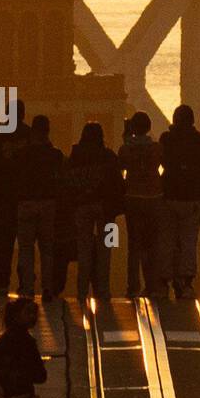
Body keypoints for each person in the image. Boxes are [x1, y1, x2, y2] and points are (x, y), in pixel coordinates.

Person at [65, 122, 124, 301]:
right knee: (106, 250)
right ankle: (103, 291)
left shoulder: (75, 156)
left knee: (84, 251)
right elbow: (118, 184)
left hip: (82, 208)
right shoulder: (108, 156)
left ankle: (82, 291)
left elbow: (67, 183)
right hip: (107, 212)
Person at [159, 104, 200, 299]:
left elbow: (163, 161)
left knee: (168, 239)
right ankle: (186, 282)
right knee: (189, 240)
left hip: (170, 195)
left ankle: (164, 281)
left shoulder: (166, 139)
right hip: (192, 196)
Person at [13, 114, 63, 300]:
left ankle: (27, 287)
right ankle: (47, 287)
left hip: (25, 203)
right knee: (47, 249)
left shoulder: (21, 154)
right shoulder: (55, 155)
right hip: (48, 204)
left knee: (26, 249)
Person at [0, 100, 30, 295]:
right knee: (26, 245)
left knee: (2, 244)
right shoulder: (29, 135)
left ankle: (1, 282)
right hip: (24, 197)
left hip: (1, 196)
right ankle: (25, 283)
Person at [119, 111, 165, 297]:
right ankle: (152, 285)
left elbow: (120, 167)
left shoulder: (125, 149)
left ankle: (133, 286)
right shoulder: (156, 148)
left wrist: (126, 138)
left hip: (132, 198)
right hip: (154, 198)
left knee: (134, 244)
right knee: (151, 244)